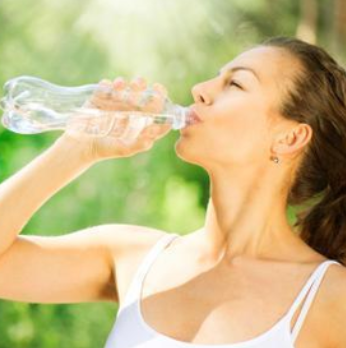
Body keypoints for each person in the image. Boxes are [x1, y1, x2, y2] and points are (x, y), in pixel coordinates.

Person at [0, 36, 346, 348]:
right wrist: (78, 148)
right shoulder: (131, 257)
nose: (200, 89)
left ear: (290, 138)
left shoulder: (329, 297)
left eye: (236, 84)